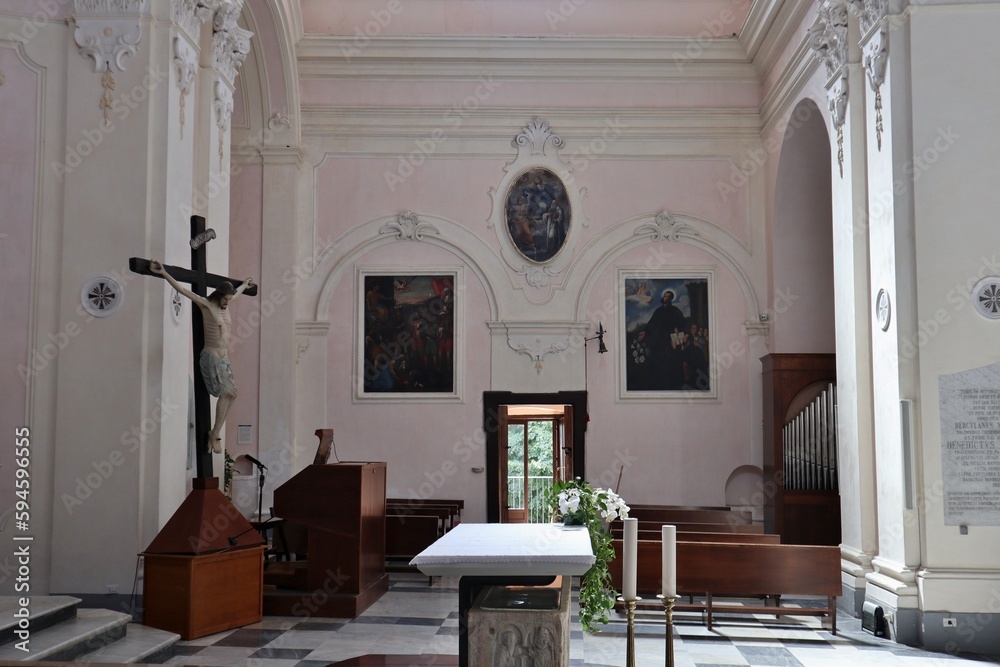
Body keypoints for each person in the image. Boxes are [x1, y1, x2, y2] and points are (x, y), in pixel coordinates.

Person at [149, 260, 254, 453]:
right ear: (220, 295)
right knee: (225, 393)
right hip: (211, 356)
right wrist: (164, 273)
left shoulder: (226, 306)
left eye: (229, 300)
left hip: (224, 357)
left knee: (233, 394)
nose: (227, 302)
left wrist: (244, 286)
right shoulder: (206, 305)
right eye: (225, 299)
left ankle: (215, 433)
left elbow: (237, 294)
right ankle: (215, 434)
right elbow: (182, 290)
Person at [638, 289, 688, 389]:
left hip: (670, 342)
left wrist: (677, 333)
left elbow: (682, 325)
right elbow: (651, 324)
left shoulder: (675, 310)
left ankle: (672, 385)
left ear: (671, 299)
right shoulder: (658, 311)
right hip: (658, 342)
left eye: (667, 297)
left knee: (671, 364)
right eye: (664, 296)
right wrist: (644, 332)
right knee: (657, 363)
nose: (665, 298)